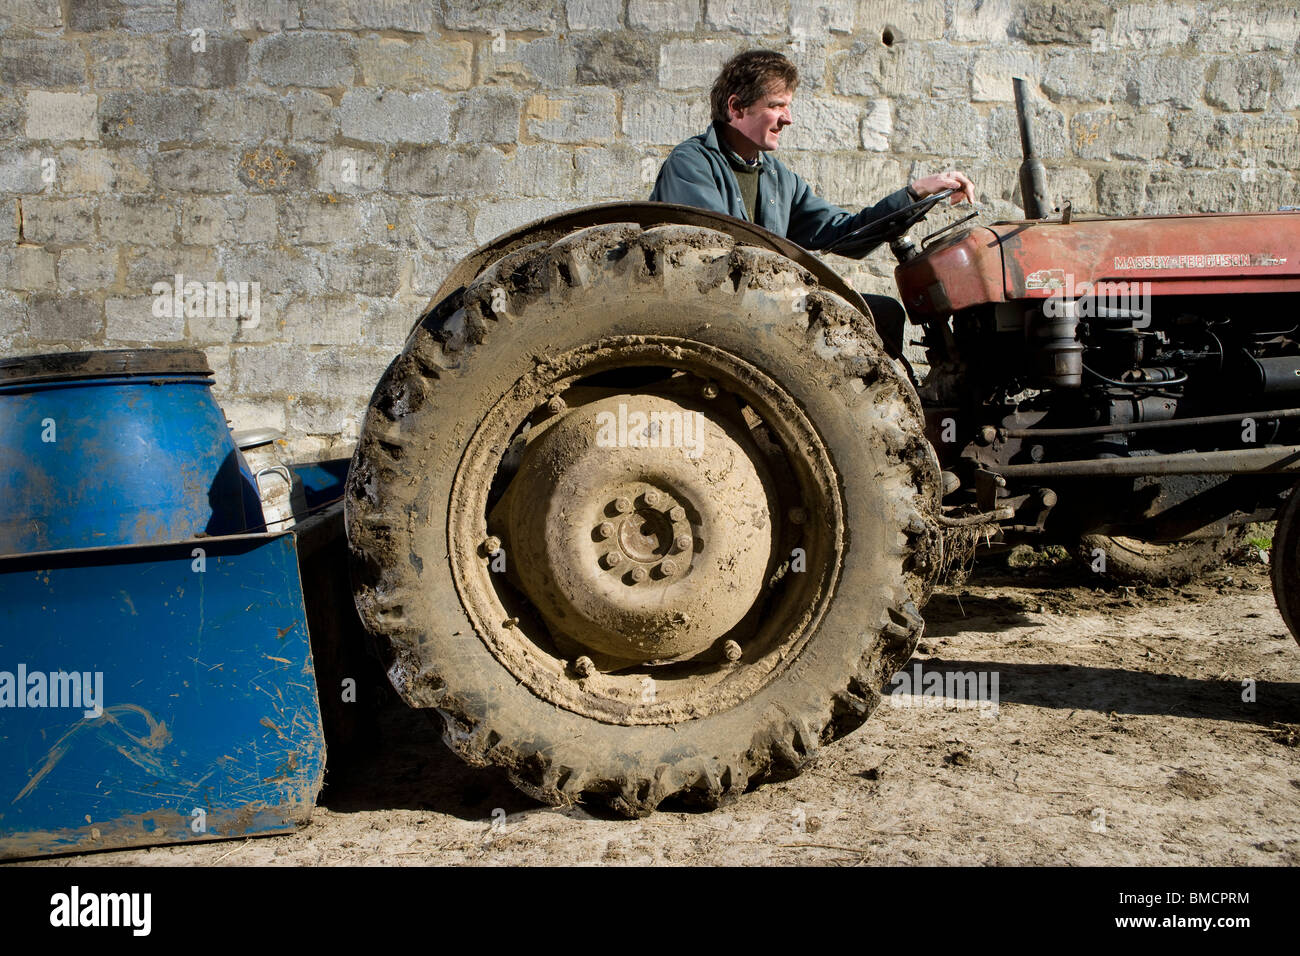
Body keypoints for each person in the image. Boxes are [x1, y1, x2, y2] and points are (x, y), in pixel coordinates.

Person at [649, 49, 974, 361]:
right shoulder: (690, 164)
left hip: (766, 306)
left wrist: (914, 194)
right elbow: (712, 257)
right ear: (736, 108)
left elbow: (843, 232)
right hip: (721, 314)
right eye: (777, 106)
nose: (787, 119)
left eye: (787, 107)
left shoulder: (778, 177)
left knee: (882, 315)